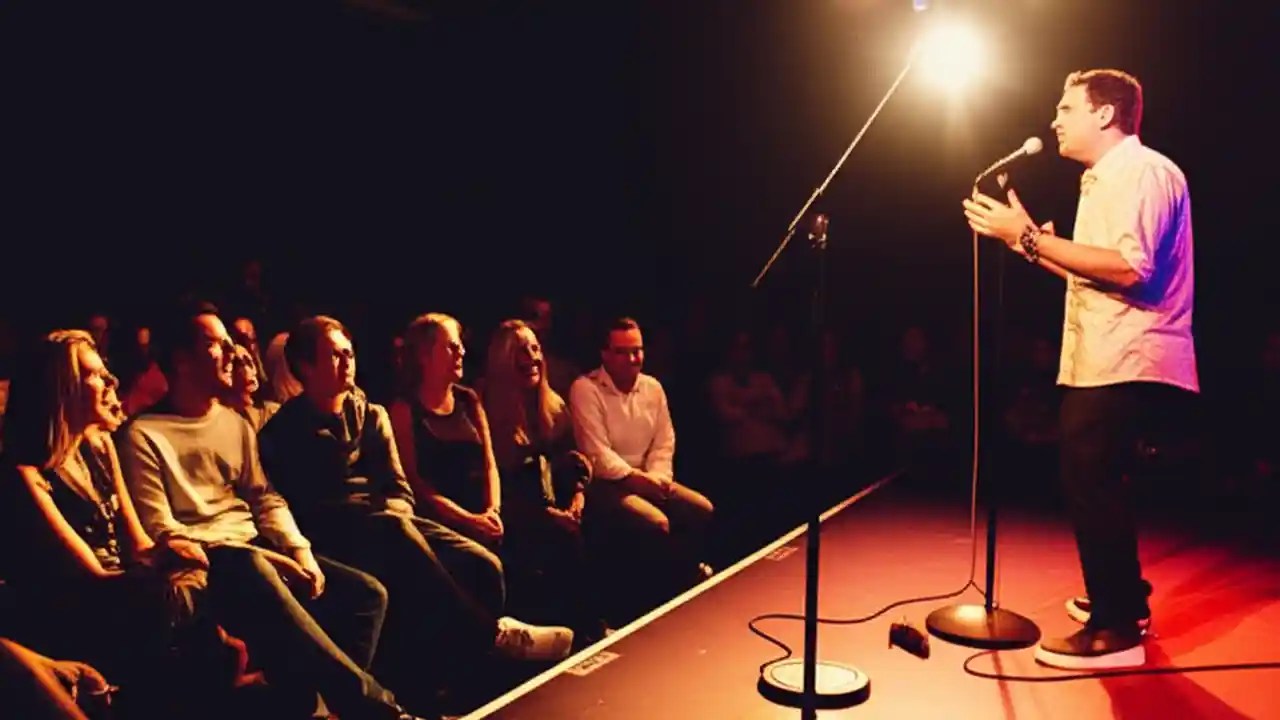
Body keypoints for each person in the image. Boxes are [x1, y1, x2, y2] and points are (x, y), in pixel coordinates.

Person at [963, 69, 1196, 669]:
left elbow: (1129, 269)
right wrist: (1026, 243)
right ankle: (1124, 599)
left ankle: (1115, 628)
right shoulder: (1105, 179)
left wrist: (1033, 241)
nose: (1054, 120)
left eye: (1066, 108)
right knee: (1095, 478)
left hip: (1128, 354)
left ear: (1104, 114)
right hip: (1104, 352)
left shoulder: (1141, 172)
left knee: (1092, 478)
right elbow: (1092, 269)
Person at [117, 300, 425, 720]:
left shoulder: (235, 423)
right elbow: (162, 528)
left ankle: (314, 708)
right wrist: (273, 557)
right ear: (182, 360)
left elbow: (265, 498)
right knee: (254, 569)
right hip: (211, 558)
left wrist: (298, 551)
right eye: (216, 344)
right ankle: (382, 711)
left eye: (230, 342)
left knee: (366, 595)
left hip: (255, 547)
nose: (232, 353)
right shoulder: (142, 434)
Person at [259, 315, 574, 701]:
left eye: (350, 354)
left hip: (393, 522)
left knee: (482, 564)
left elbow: (399, 488)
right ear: (306, 367)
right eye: (335, 356)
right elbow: (303, 508)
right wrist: (382, 518)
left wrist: (395, 512)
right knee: (394, 535)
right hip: (336, 538)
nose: (348, 363)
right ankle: (492, 635)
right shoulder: (283, 432)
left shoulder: (371, 415)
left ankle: (476, 687)